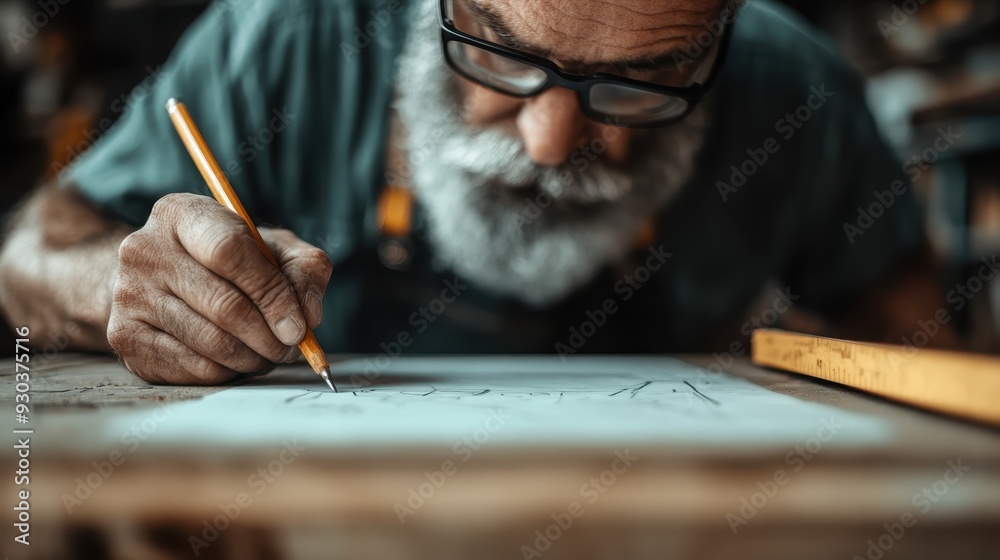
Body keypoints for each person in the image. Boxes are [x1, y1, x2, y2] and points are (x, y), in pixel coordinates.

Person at [0, 0, 947, 384]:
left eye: (642, 83)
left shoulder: (794, 94)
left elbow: (911, 328)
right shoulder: (287, 38)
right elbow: (25, 256)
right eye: (499, 53)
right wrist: (110, 289)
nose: (551, 140)